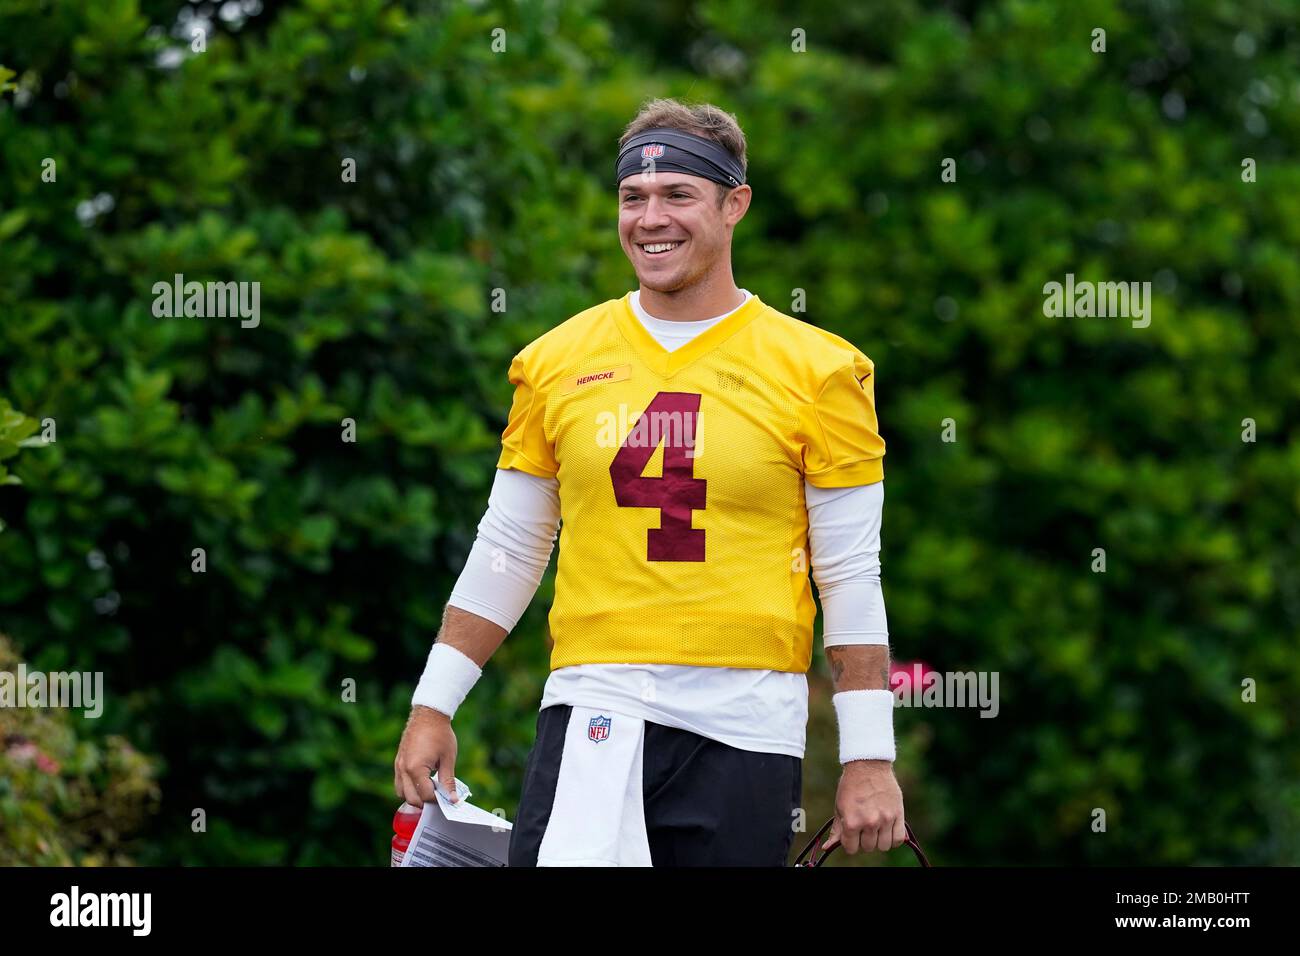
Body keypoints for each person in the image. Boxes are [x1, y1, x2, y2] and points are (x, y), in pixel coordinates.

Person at [393, 98, 905, 866]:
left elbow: (850, 574)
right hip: (592, 707)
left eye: (678, 195)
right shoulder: (557, 360)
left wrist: (870, 755)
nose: (649, 218)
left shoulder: (822, 370)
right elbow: (509, 546)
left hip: (744, 727)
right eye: (633, 197)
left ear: (735, 204)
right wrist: (434, 702)